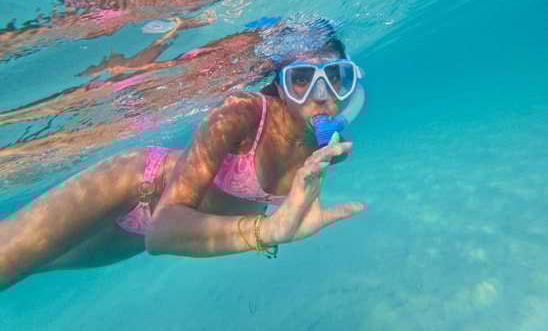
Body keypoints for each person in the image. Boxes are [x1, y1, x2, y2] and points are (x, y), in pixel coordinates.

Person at [0, 29, 365, 292]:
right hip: (130, 186)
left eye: (335, 76)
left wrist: (287, 219)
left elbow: (156, 236)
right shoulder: (242, 112)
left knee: (33, 267)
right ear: (281, 87)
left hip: (139, 233)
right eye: (302, 78)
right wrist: (267, 231)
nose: (322, 94)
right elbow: (162, 232)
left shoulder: (326, 145)